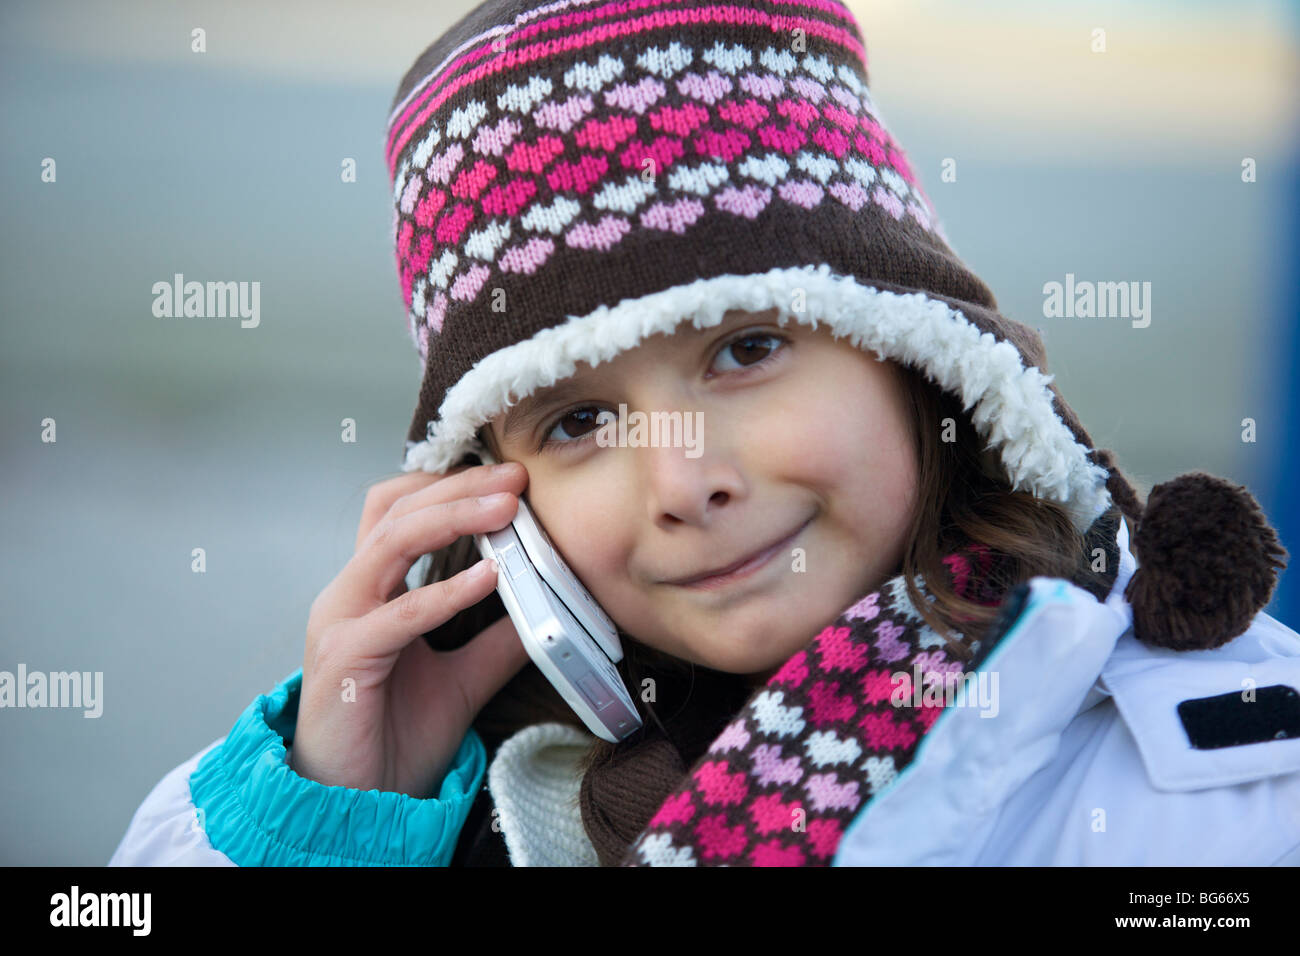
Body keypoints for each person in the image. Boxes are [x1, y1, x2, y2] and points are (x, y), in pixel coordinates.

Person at [109, 0, 1300, 867]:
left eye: (745, 349)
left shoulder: (1220, 782)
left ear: (915, 354)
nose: (682, 481)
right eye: (579, 420)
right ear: (496, 512)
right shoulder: (478, 802)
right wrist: (334, 816)